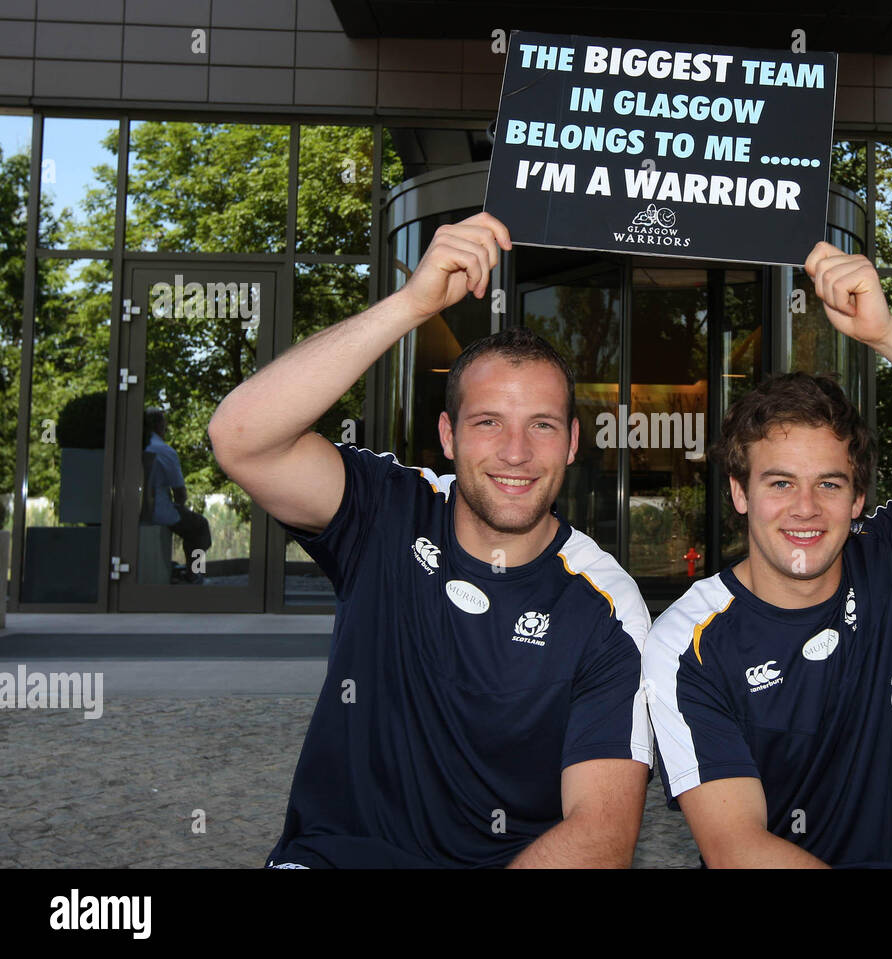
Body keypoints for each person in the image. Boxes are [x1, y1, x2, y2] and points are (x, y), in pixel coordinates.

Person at [208, 212, 652, 868]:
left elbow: (602, 833)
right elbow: (239, 438)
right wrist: (410, 304)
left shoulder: (604, 605)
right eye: (488, 422)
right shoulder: (390, 508)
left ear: (574, 444)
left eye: (542, 426)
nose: (515, 452)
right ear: (447, 436)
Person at [643, 241, 892, 867]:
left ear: (858, 496)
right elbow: (737, 848)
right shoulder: (686, 643)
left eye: (829, 484)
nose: (805, 508)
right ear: (739, 493)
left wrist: (886, 334)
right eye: (780, 483)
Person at [143, 408, 212, 584]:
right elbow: (179, 492)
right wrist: (180, 507)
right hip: (159, 511)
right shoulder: (164, 451)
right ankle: (195, 572)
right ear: (159, 425)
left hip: (136, 510)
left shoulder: (138, 447)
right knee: (199, 527)